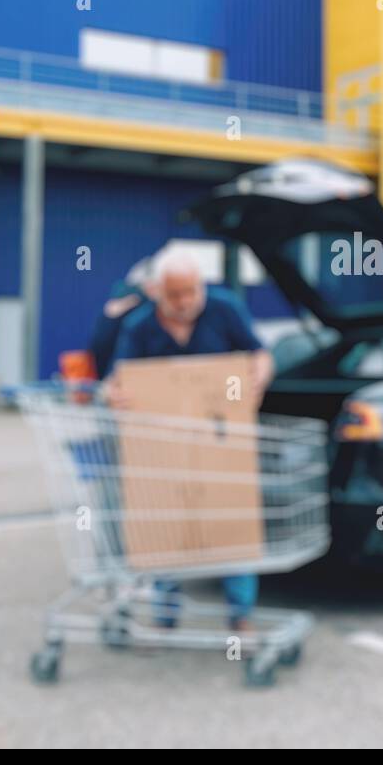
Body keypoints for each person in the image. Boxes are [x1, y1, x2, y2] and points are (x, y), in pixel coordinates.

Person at [108, 243, 273, 632]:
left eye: (190, 292)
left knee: (231, 520)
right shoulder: (139, 327)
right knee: (167, 524)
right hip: (164, 446)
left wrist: (258, 377)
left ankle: (241, 615)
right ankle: (166, 615)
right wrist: (112, 394)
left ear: (201, 286)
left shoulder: (225, 309)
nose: (184, 302)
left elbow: (260, 354)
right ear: (156, 292)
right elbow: (116, 380)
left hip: (221, 442)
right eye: (174, 294)